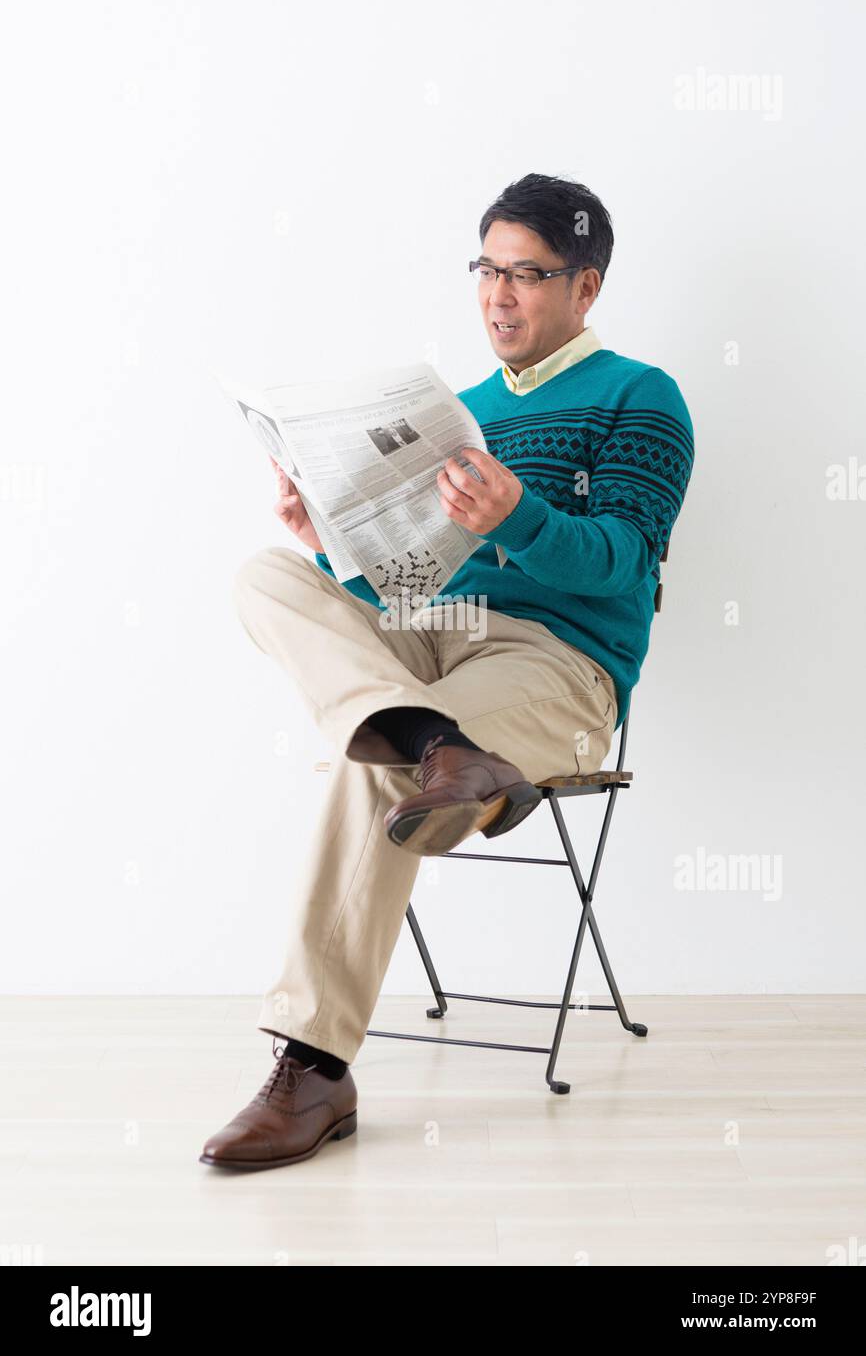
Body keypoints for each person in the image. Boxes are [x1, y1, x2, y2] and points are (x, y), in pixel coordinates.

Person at [200, 172, 695, 1172]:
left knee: (367, 760)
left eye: (527, 274)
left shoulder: (641, 397)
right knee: (266, 574)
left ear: (584, 287)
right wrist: (334, 549)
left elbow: (621, 563)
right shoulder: (460, 409)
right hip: (433, 639)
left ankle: (312, 1065)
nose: (498, 296)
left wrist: (516, 515)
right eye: (486, 269)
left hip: (556, 665)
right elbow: (408, 586)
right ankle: (439, 747)